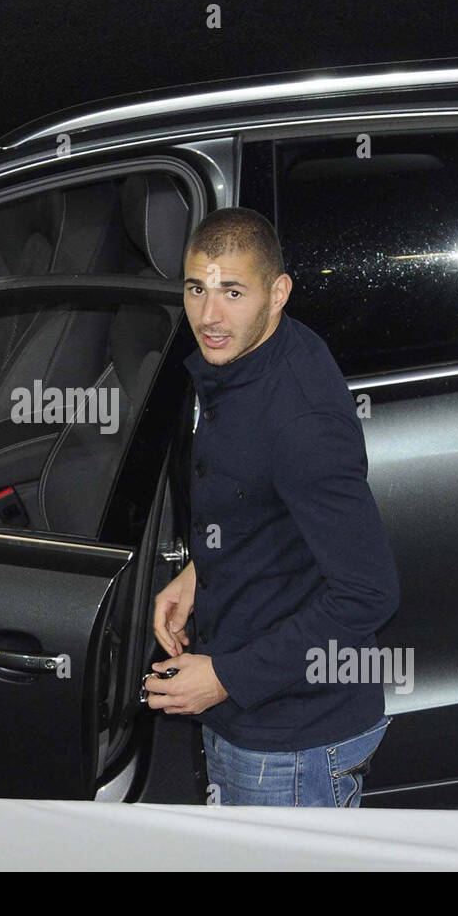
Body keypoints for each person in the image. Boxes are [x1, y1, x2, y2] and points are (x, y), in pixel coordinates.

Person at [143, 207, 400, 807]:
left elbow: (369, 594)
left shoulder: (300, 420)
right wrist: (199, 570)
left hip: (293, 744)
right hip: (260, 721)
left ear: (278, 292)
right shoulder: (249, 359)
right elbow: (261, 510)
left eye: (233, 291)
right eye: (196, 289)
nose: (209, 316)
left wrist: (225, 677)